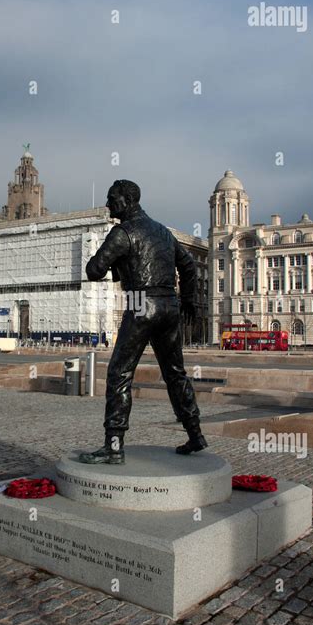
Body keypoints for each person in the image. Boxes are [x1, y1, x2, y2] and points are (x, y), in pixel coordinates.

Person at [79, 179, 207, 465]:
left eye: (112, 198)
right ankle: (195, 434)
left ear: (127, 200)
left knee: (119, 373)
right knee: (175, 373)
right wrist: (188, 301)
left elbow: (94, 270)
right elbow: (188, 266)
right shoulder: (163, 231)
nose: (109, 204)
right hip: (170, 305)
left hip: (140, 303)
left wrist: (111, 258)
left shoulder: (121, 233)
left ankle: (113, 445)